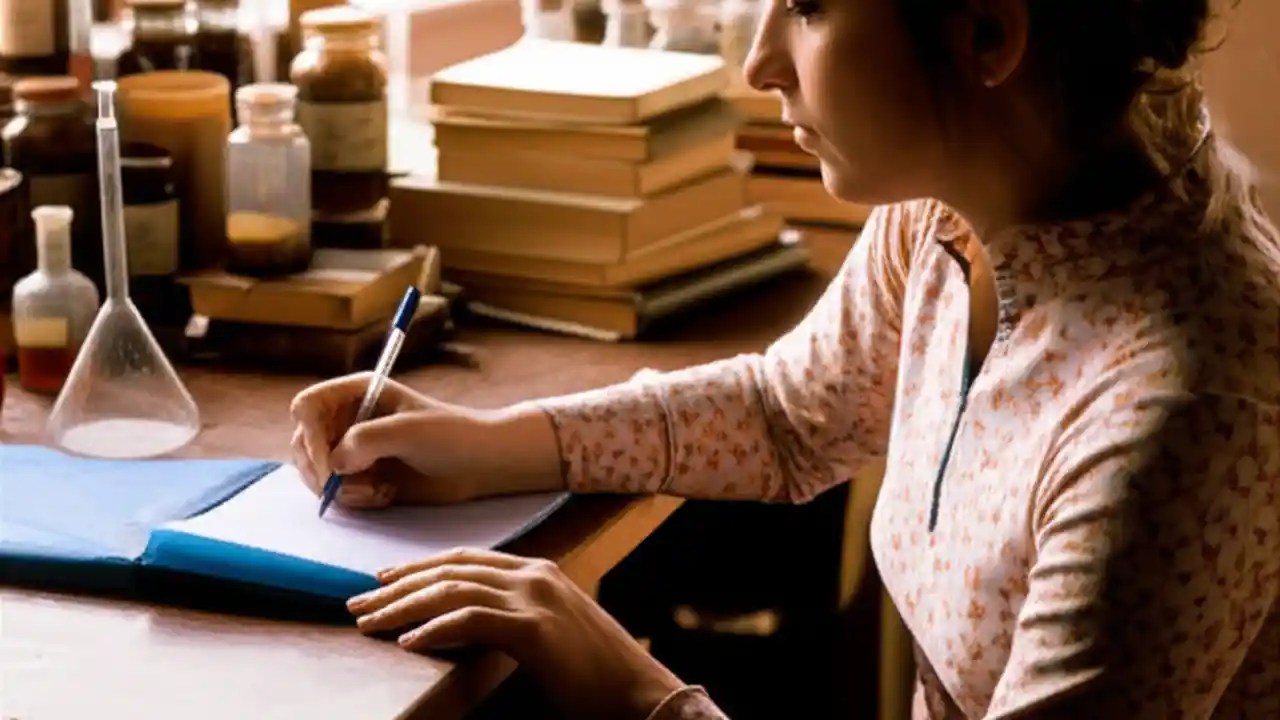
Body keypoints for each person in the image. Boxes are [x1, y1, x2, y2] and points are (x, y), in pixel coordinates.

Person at [289, 0, 1280, 717]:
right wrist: (489, 443)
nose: (759, 59)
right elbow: (788, 412)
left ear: (987, 32)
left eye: (804, 7)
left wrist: (627, 683)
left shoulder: (1187, 417)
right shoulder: (954, 207)